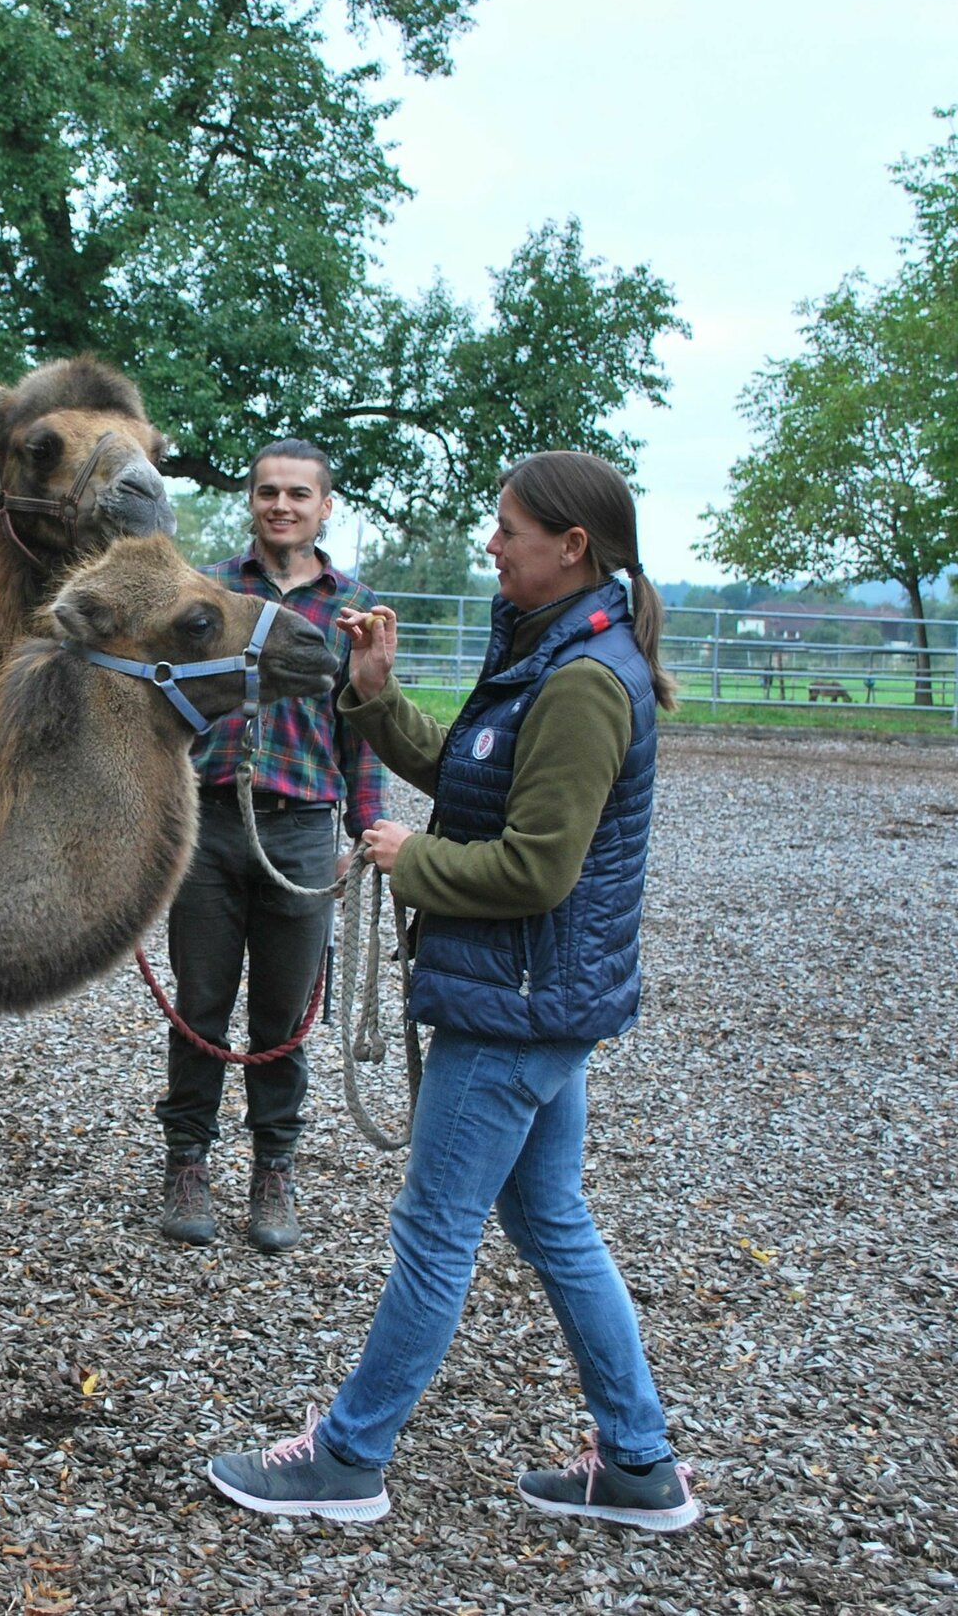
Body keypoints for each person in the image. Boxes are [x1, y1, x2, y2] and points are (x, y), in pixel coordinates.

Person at [203, 450, 701, 1533]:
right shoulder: (550, 652)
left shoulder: (577, 679)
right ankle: (636, 1461)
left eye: (508, 529)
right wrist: (374, 705)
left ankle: (347, 1455)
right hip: (536, 1000)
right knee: (553, 1222)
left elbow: (535, 868)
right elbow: (477, 772)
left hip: (512, 1003)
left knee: (433, 1231)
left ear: (570, 547)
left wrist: (404, 856)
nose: (490, 543)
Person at [156, 441, 387, 1252]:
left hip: (298, 827)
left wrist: (363, 829)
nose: (280, 505)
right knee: (202, 1001)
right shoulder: (210, 593)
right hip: (212, 819)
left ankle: (273, 1171)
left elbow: (364, 725)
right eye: (267, 492)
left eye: (298, 493)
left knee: (283, 1013)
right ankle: (187, 1160)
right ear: (252, 503)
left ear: (325, 508)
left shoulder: (353, 605)